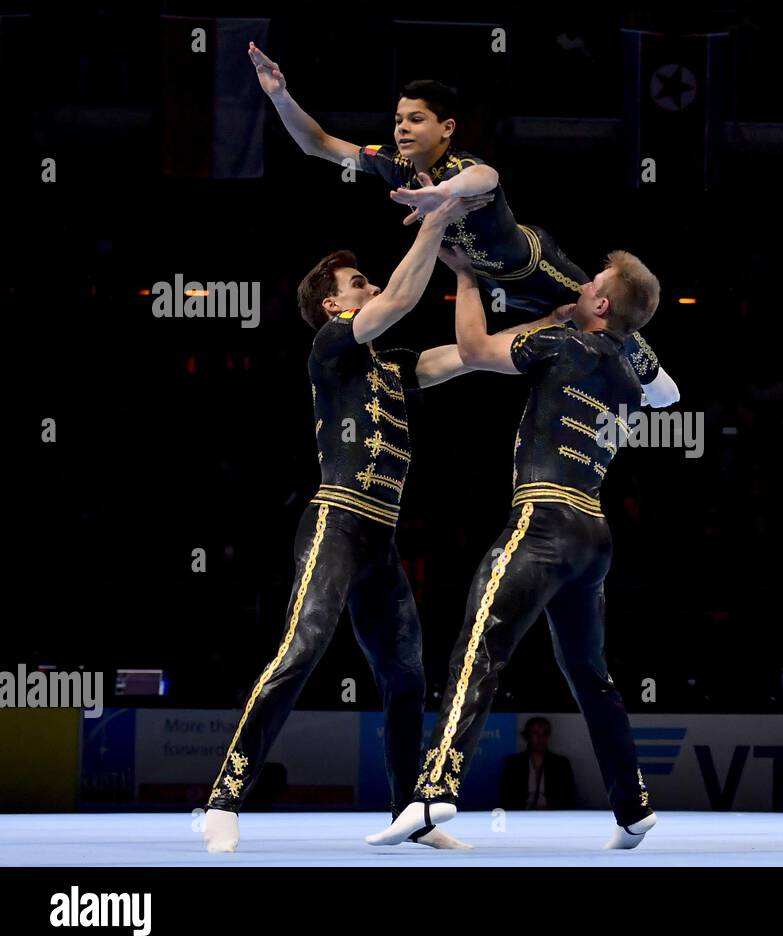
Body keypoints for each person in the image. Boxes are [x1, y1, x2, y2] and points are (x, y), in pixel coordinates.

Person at [202, 190, 543, 852]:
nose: (373, 286)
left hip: (379, 542)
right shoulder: (330, 347)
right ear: (335, 305)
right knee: (302, 648)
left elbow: (472, 354)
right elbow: (401, 301)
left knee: (407, 677)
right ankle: (223, 798)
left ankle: (406, 814)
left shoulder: (395, 367)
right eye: (358, 283)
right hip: (334, 522)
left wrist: (476, 279)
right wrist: (439, 220)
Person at [366, 245, 662, 850]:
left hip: (544, 523)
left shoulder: (563, 345)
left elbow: (474, 349)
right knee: (590, 674)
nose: (579, 288)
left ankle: (433, 793)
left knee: (478, 648)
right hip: (594, 536)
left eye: (590, 286)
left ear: (602, 305)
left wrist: (468, 275)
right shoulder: (629, 378)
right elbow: (660, 388)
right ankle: (633, 808)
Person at [246, 42, 679, 408]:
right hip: (490, 282)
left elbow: (487, 177)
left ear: (446, 128)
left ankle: (659, 388)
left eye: (416, 120)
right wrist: (279, 95)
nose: (402, 129)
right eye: (398, 120)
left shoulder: (462, 167)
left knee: (605, 316)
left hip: (533, 266)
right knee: (526, 340)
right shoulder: (392, 166)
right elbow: (317, 144)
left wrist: (445, 193)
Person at [499, 717, 578, 811]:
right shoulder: (514, 763)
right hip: (522, 816)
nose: (540, 738)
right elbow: (507, 797)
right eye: (535, 733)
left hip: (553, 817)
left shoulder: (560, 764)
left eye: (545, 734)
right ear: (527, 736)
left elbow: (568, 797)